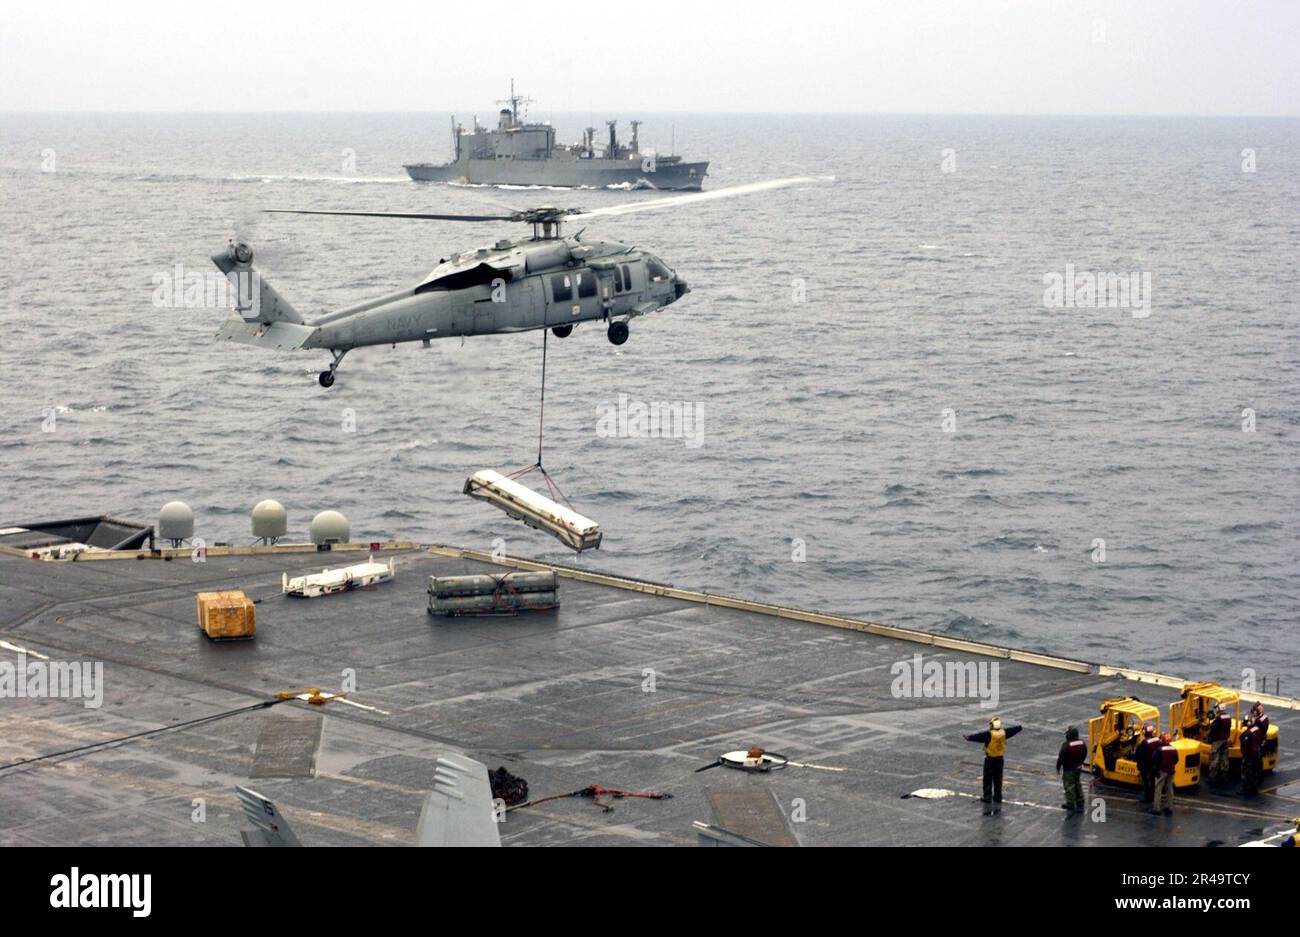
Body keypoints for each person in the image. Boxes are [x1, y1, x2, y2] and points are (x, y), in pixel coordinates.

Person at [963, 716, 1023, 811]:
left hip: (990, 759)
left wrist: (969, 738)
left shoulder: (989, 734)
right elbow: (1013, 730)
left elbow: (979, 737)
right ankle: (998, 797)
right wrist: (1020, 727)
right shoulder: (1004, 733)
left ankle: (987, 797)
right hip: (1000, 759)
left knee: (987, 778)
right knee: (998, 779)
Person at [1056, 725, 1088, 814]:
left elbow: (1061, 757)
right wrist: (1080, 763)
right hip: (1078, 768)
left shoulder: (1066, 745)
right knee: (1078, 785)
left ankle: (1071, 804)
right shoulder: (1082, 743)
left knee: (1069, 786)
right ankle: (1080, 804)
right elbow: (1085, 753)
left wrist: (1058, 767)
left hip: (1069, 769)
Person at [1151, 732, 1177, 816]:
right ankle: (1169, 807)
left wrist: (1157, 769)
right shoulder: (1174, 749)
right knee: (1169, 789)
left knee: (1158, 789)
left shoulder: (1160, 750)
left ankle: (1156, 808)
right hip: (1171, 771)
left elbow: (1154, 760)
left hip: (1162, 771)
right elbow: (1176, 760)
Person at [1207, 702, 1232, 786]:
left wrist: (1209, 735)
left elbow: (1212, 728)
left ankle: (1212, 778)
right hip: (1225, 740)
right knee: (1224, 758)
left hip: (1217, 741)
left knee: (1214, 758)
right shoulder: (1228, 717)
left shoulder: (1218, 718)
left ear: (1219, 708)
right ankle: (1224, 776)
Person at [1137, 723, 1162, 804]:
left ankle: (1147, 798)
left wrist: (1140, 768)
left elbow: (1140, 757)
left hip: (1147, 767)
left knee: (1146, 783)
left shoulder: (1144, 743)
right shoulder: (1158, 740)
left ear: (1144, 732)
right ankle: (1154, 797)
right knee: (1154, 783)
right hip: (1156, 766)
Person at [1240, 718, 1263, 796]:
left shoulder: (1248, 733)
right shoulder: (1257, 729)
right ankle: (1254, 788)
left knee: (1246, 772)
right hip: (1256, 754)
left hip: (1249, 755)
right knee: (1254, 772)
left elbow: (1245, 743)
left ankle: (1245, 789)